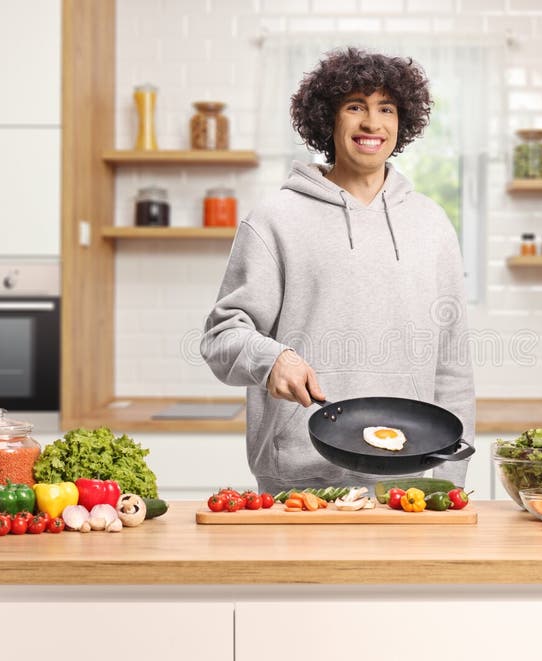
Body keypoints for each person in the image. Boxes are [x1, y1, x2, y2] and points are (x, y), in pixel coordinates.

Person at [200, 47, 474, 495]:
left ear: (402, 122)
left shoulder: (432, 224)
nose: (372, 123)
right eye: (355, 107)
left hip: (409, 485)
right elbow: (220, 337)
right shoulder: (275, 220)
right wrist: (273, 359)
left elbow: (453, 365)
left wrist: (448, 483)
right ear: (328, 120)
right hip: (298, 482)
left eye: (386, 108)